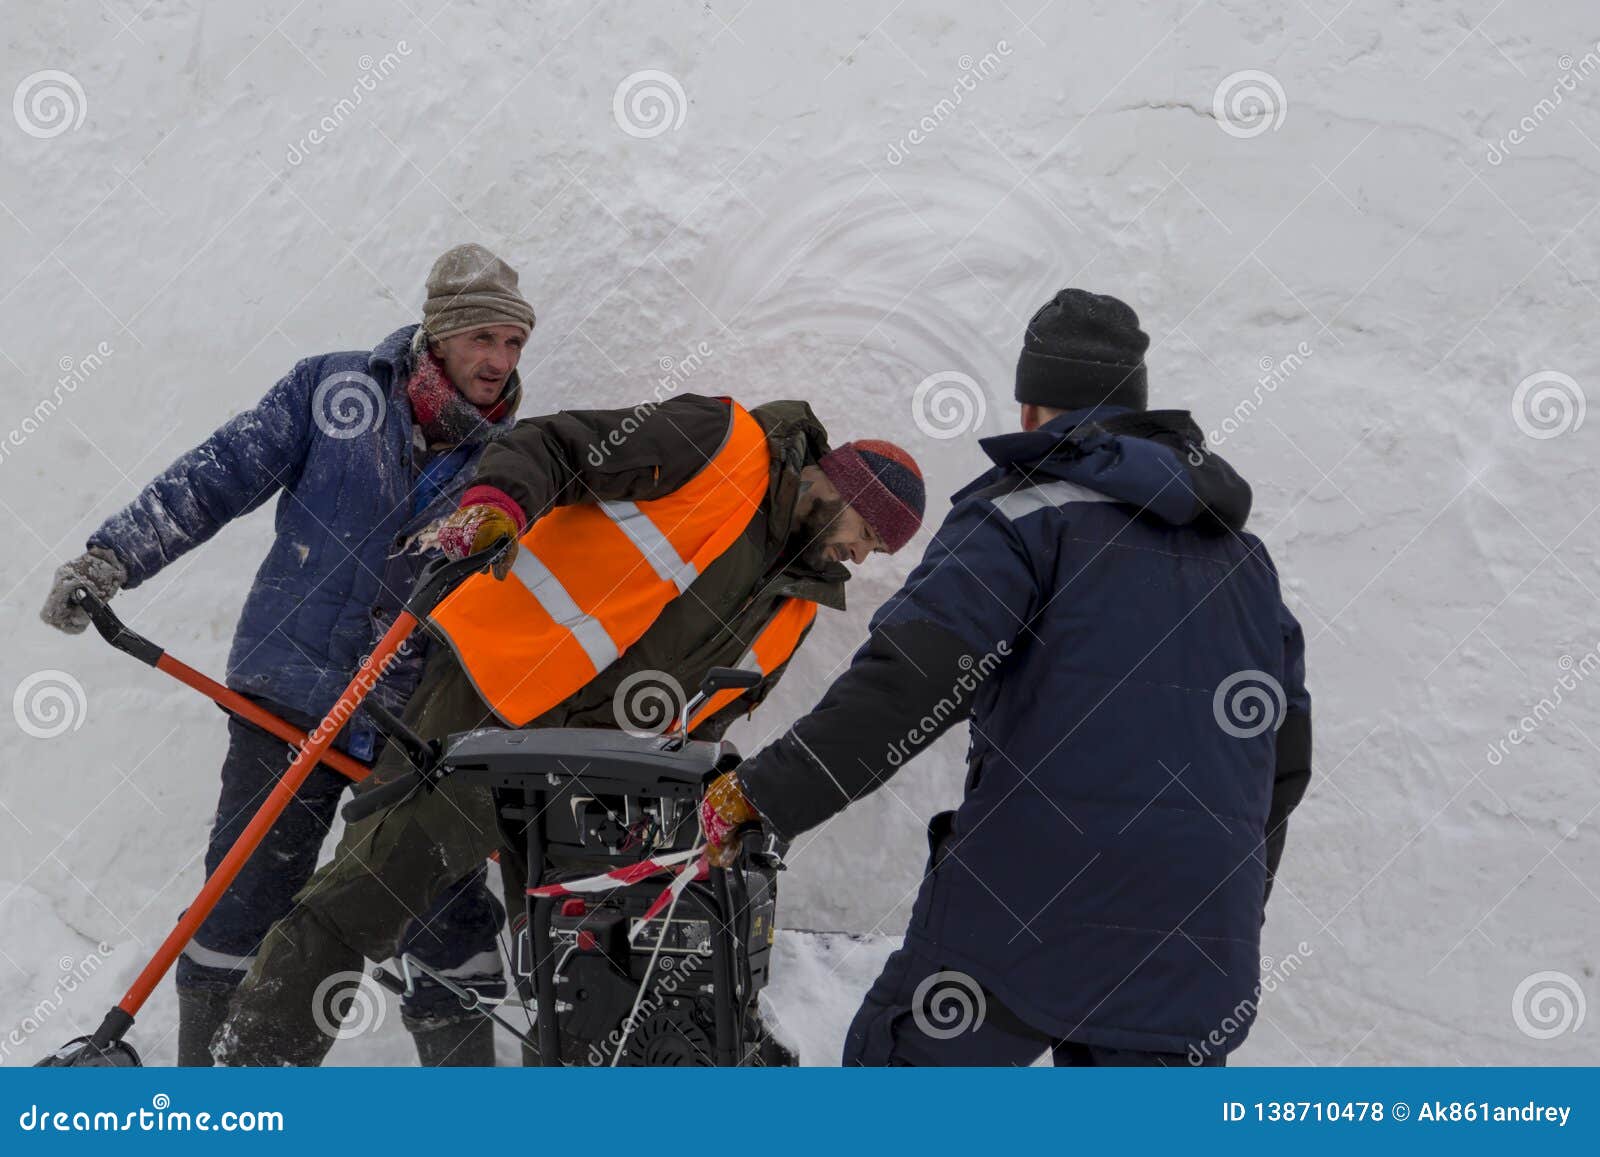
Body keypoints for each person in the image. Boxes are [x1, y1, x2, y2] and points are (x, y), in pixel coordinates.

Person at [212, 393, 926, 1066]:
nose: (859, 558)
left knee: (578, 968)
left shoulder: (796, 606)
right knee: (369, 890)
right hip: (492, 700)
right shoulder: (723, 440)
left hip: (594, 779)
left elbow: (704, 720)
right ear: (840, 488)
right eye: (865, 535)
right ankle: (247, 1081)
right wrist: (498, 505)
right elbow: (555, 444)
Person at [702, 289, 1313, 1067]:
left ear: (1032, 410)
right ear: (1137, 407)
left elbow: (909, 684)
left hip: (1025, 909)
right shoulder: (1246, 565)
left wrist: (762, 794)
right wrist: (1219, 901)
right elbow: (1283, 764)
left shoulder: (1025, 515)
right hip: (1198, 935)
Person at [40, 243, 539, 1067]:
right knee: (243, 896)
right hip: (286, 695)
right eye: (484, 338)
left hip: (410, 730)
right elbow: (217, 475)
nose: (500, 361)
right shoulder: (332, 390)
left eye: (515, 344)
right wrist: (110, 558)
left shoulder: (512, 462)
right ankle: (212, 1092)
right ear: (440, 335)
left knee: (445, 921)